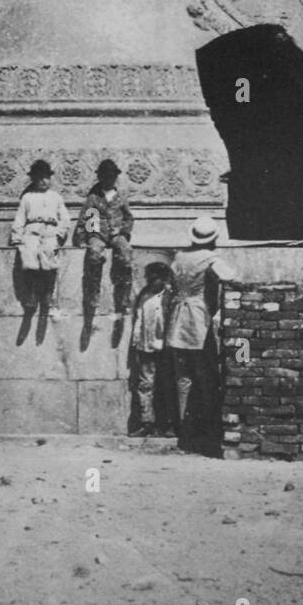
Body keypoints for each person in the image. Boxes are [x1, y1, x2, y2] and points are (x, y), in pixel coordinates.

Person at [166, 215, 237, 457]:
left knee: (182, 379)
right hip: (198, 322)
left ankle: (184, 433)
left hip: (177, 320)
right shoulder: (210, 258)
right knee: (206, 378)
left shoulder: (179, 257)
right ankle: (208, 431)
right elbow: (230, 276)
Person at [73, 159, 135, 316]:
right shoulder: (94, 197)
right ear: (100, 177)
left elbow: (129, 218)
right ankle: (93, 295)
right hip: (98, 234)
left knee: (126, 254)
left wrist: (121, 230)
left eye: (111, 177)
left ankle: (124, 298)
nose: (108, 180)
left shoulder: (120, 196)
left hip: (116, 235)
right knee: (94, 253)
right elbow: (86, 218)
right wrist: (83, 237)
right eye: (105, 176)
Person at [9, 159, 72, 311]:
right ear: (34, 179)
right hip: (32, 230)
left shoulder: (55, 197)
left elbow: (65, 219)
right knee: (29, 254)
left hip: (50, 231)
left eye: (46, 177)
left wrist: (59, 234)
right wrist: (17, 238)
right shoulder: (27, 197)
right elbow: (20, 219)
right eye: (39, 178)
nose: (43, 181)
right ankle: (31, 293)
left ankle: (48, 293)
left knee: (49, 255)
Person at [129, 262, 174, 436]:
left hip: (165, 348)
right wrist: (136, 342)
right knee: (146, 385)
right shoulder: (144, 296)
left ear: (163, 279)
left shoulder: (169, 296)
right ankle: (147, 422)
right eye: (149, 278)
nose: (151, 282)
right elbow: (138, 319)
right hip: (146, 348)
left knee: (167, 385)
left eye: (154, 279)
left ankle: (168, 424)